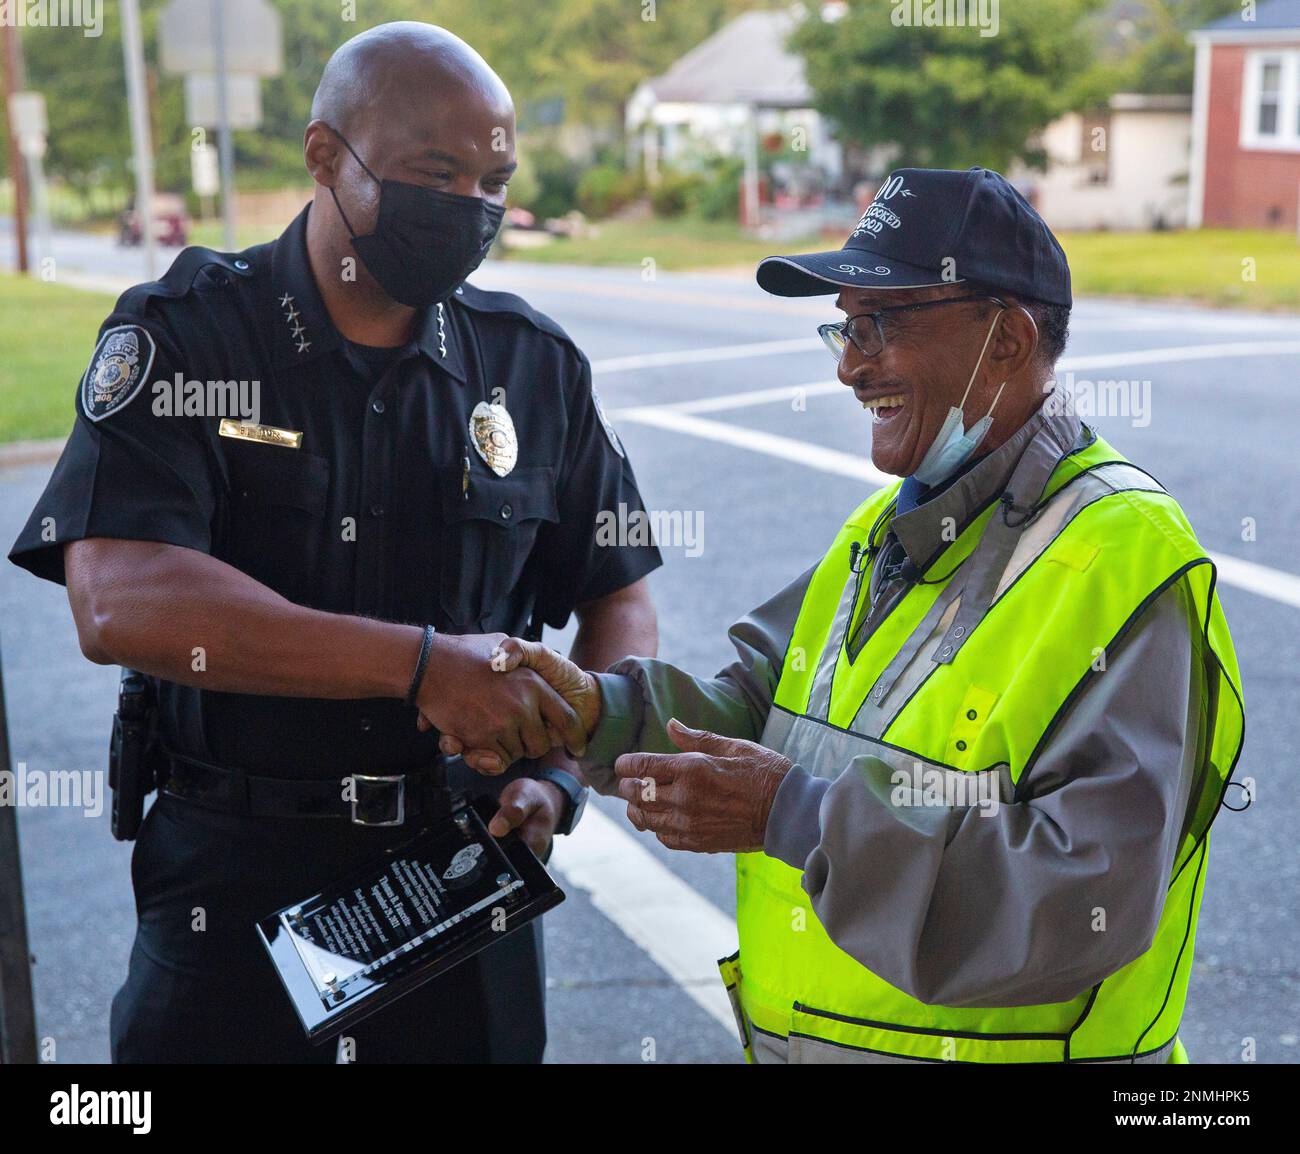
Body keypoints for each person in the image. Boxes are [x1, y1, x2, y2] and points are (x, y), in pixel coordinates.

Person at [449, 167, 1246, 1065]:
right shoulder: (887, 526)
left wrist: (793, 817)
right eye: (843, 325)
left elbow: (1081, 897)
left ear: (1008, 340)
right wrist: (598, 712)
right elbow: (758, 711)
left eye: (882, 325)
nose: (848, 363)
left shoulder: (1126, 559)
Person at [7, 22, 661, 1063]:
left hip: (460, 871)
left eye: (494, 179)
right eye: (435, 172)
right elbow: (118, 597)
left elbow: (617, 586)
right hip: (233, 875)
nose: (473, 209)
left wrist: (564, 763)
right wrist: (418, 667)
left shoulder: (530, 364)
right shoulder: (188, 335)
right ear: (324, 156)